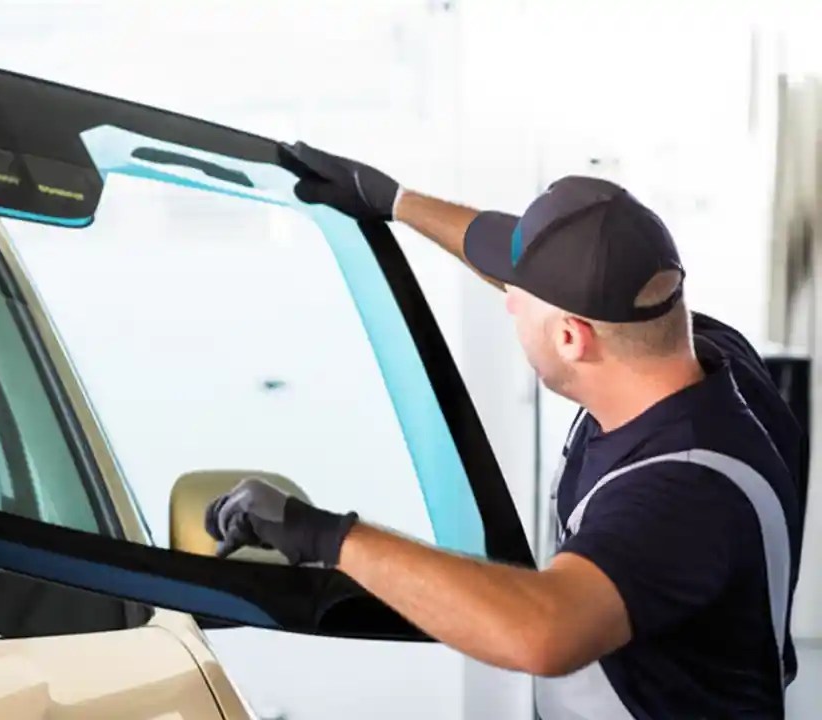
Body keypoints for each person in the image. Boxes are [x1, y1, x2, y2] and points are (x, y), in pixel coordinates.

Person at [204, 143, 806, 719]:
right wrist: (395, 201)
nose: (506, 300)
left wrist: (326, 537)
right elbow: (548, 275)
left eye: (515, 297)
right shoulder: (691, 348)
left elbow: (543, 630)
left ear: (573, 337)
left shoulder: (681, 491)